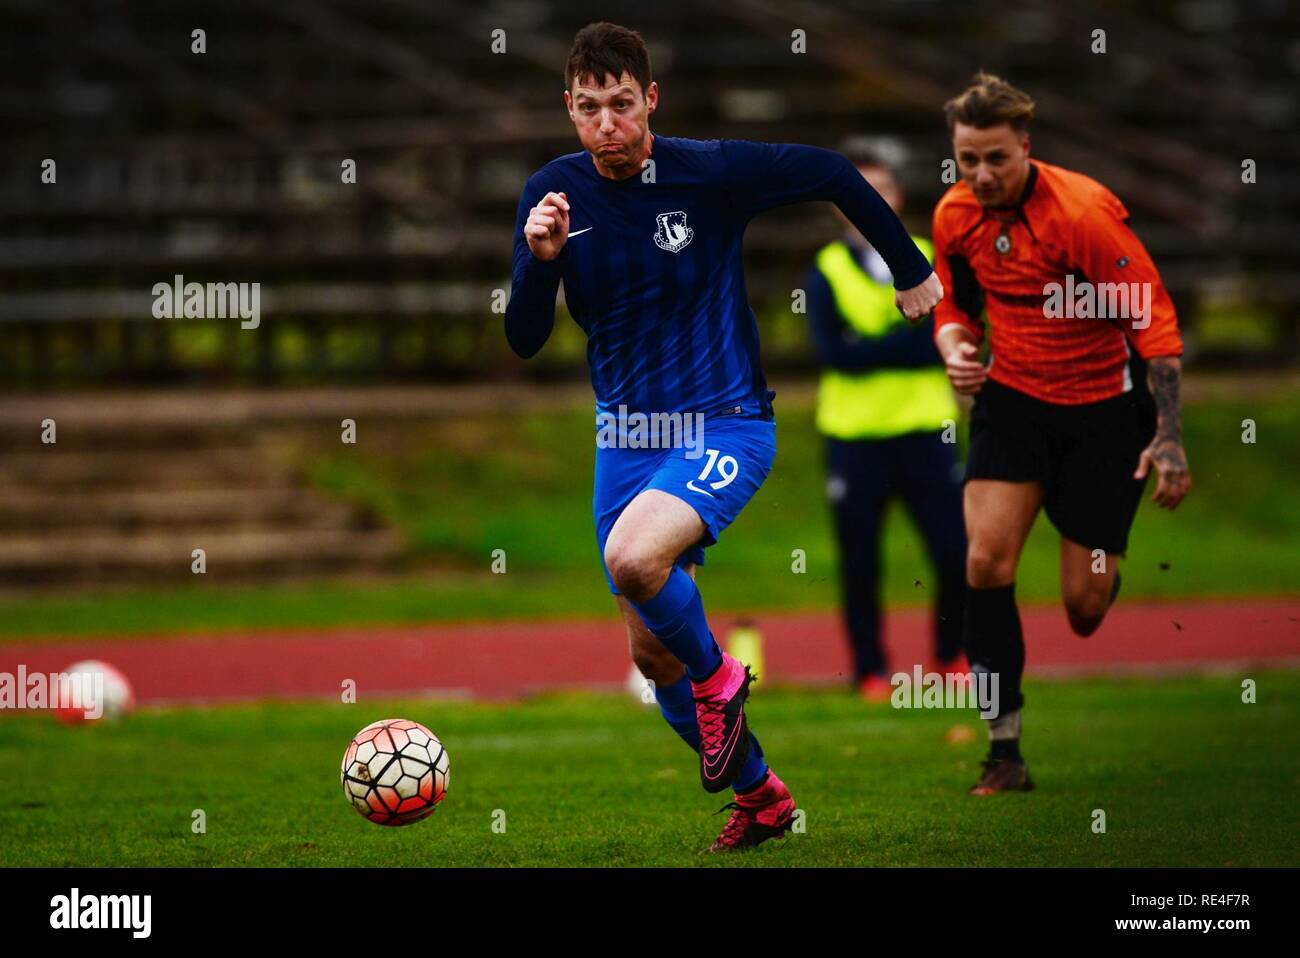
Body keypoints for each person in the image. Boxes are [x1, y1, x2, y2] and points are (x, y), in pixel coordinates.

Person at [505, 22, 943, 849]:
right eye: (590, 108)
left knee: (635, 562)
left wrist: (911, 267)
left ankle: (722, 675)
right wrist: (539, 262)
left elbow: (833, 173)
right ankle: (763, 796)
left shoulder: (708, 172)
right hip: (626, 439)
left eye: (623, 105)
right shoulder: (551, 196)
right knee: (652, 657)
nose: (608, 124)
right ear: (569, 108)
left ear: (651, 102)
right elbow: (525, 339)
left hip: (726, 421)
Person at [929, 72, 1191, 794]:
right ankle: (1003, 751)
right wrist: (954, 349)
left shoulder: (1081, 215)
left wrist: (1168, 436)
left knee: (1083, 608)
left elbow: (1155, 326)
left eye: (995, 160)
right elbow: (953, 306)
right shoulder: (955, 214)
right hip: (1013, 406)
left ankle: (1103, 561)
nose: (980, 175)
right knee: (983, 562)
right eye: (966, 160)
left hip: (1104, 417)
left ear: (1026, 148)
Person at [803, 143, 967, 702]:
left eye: (878, 191)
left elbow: (943, 340)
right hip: (855, 439)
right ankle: (870, 670)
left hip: (926, 431)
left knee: (954, 550)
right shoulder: (825, 271)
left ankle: (949, 660)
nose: (866, 204)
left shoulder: (926, 255)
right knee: (861, 562)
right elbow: (834, 354)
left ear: (896, 197)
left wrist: (871, 344)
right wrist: (905, 338)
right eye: (856, 194)